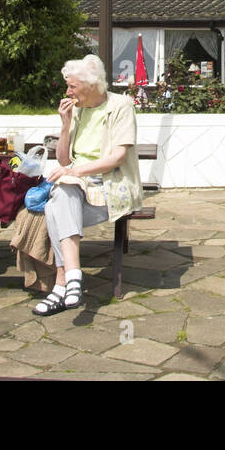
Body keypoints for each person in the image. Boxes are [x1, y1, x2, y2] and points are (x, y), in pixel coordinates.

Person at [25, 54, 141, 316]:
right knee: (61, 199)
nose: (68, 92)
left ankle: (61, 284)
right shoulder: (77, 110)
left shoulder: (121, 106)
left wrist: (73, 171)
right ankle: (73, 278)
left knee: (56, 208)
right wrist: (65, 125)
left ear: (93, 84)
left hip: (111, 186)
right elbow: (64, 159)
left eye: (72, 86)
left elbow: (116, 158)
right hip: (76, 186)